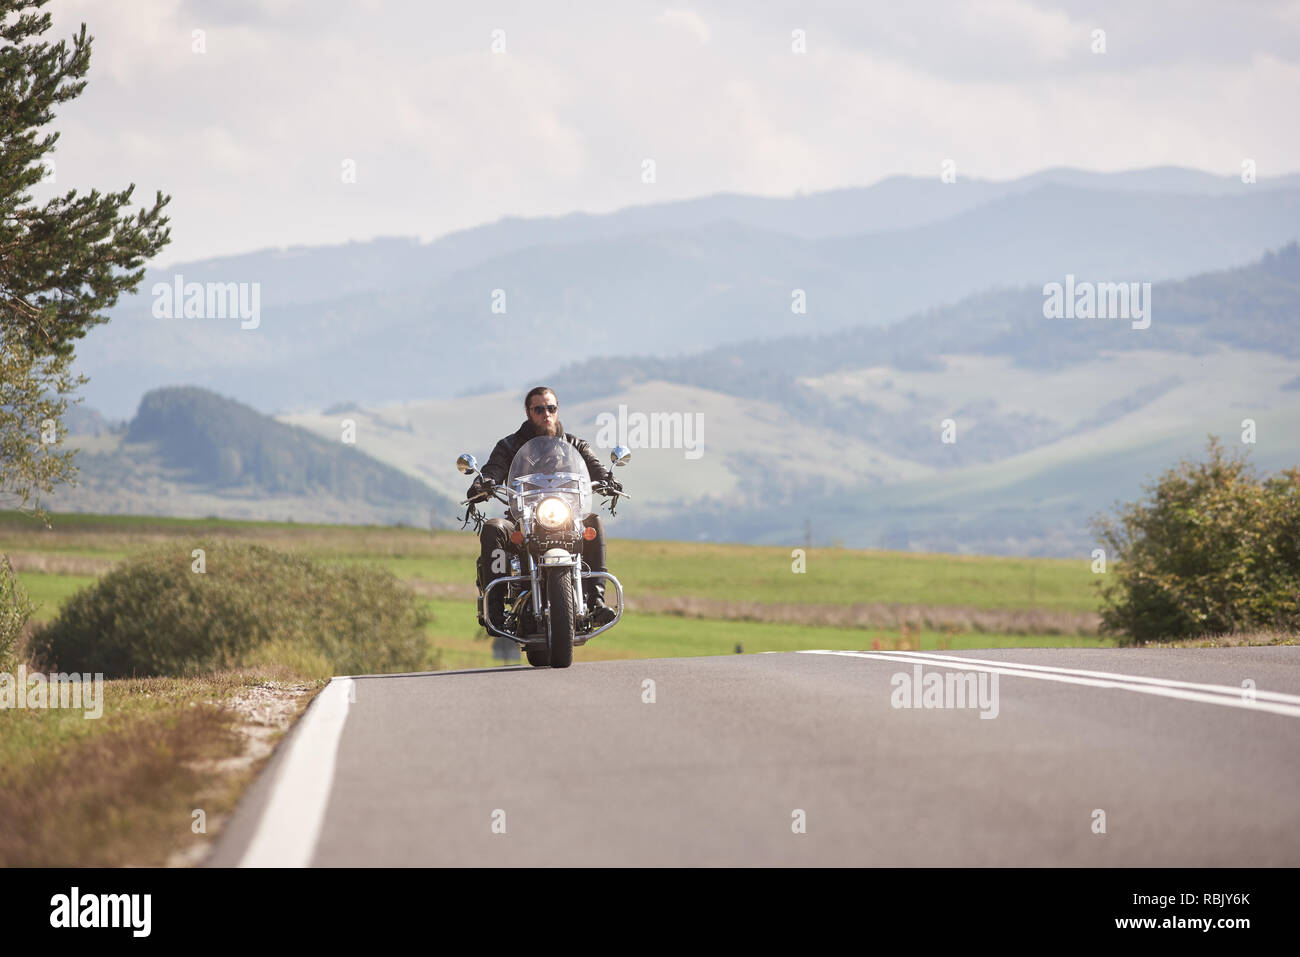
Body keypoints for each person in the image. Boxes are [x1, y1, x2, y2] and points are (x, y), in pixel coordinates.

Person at [466, 386, 621, 631]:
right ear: (528, 412)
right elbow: (493, 469)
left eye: (551, 408)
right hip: (522, 518)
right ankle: (494, 610)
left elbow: (594, 466)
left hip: (567, 516)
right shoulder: (508, 446)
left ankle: (597, 601)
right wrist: (483, 482)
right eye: (539, 409)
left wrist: (606, 480)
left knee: (593, 522)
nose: (546, 414)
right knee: (494, 528)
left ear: (557, 410)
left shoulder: (575, 443)